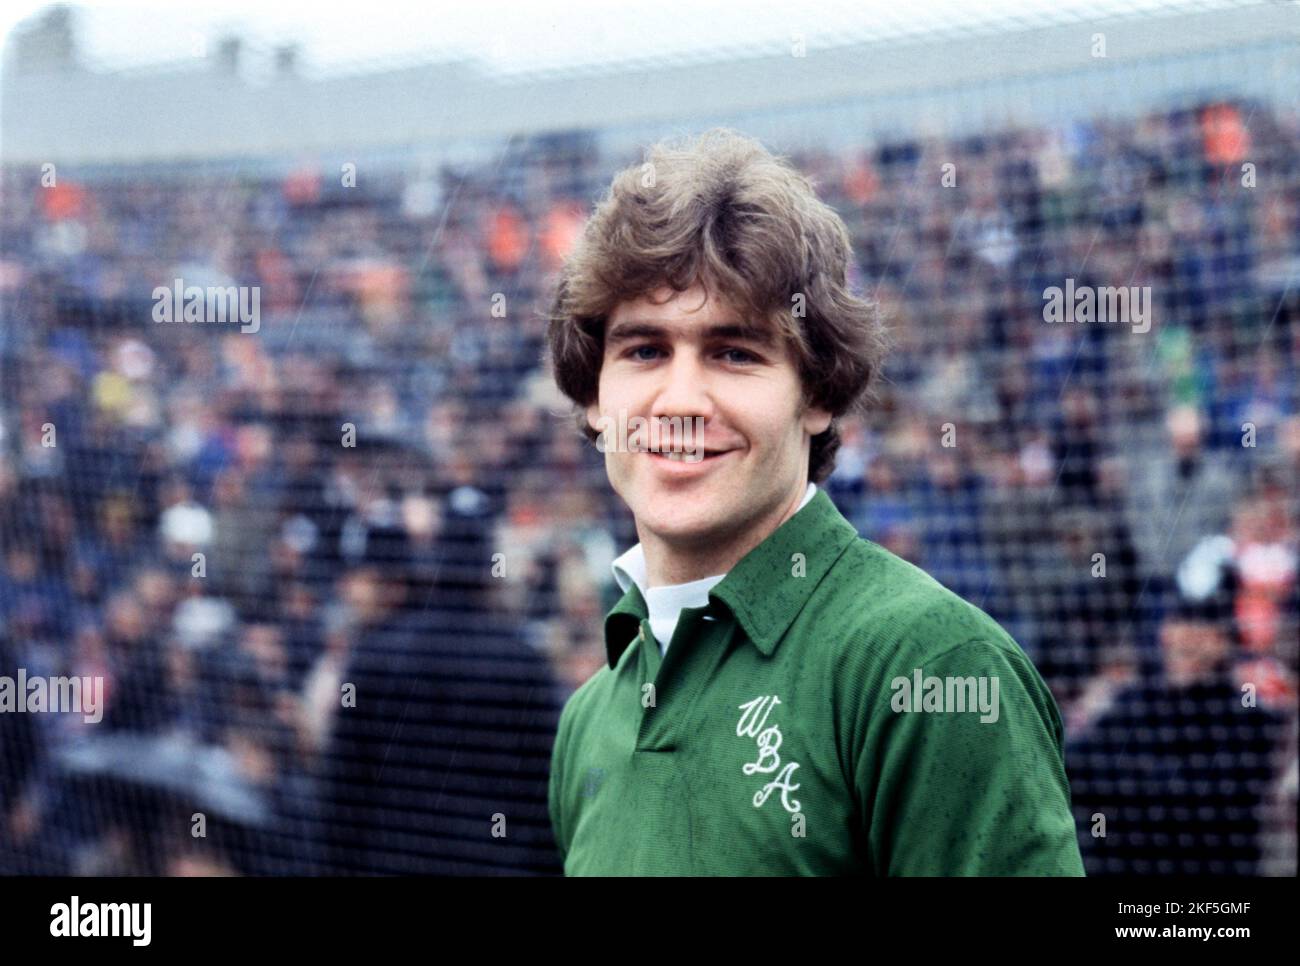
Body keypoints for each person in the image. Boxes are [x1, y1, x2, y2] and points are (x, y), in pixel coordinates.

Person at [543, 128, 1084, 875]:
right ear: (595, 395)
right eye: (645, 350)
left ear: (819, 395)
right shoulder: (587, 719)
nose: (681, 399)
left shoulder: (932, 666)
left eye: (735, 353)